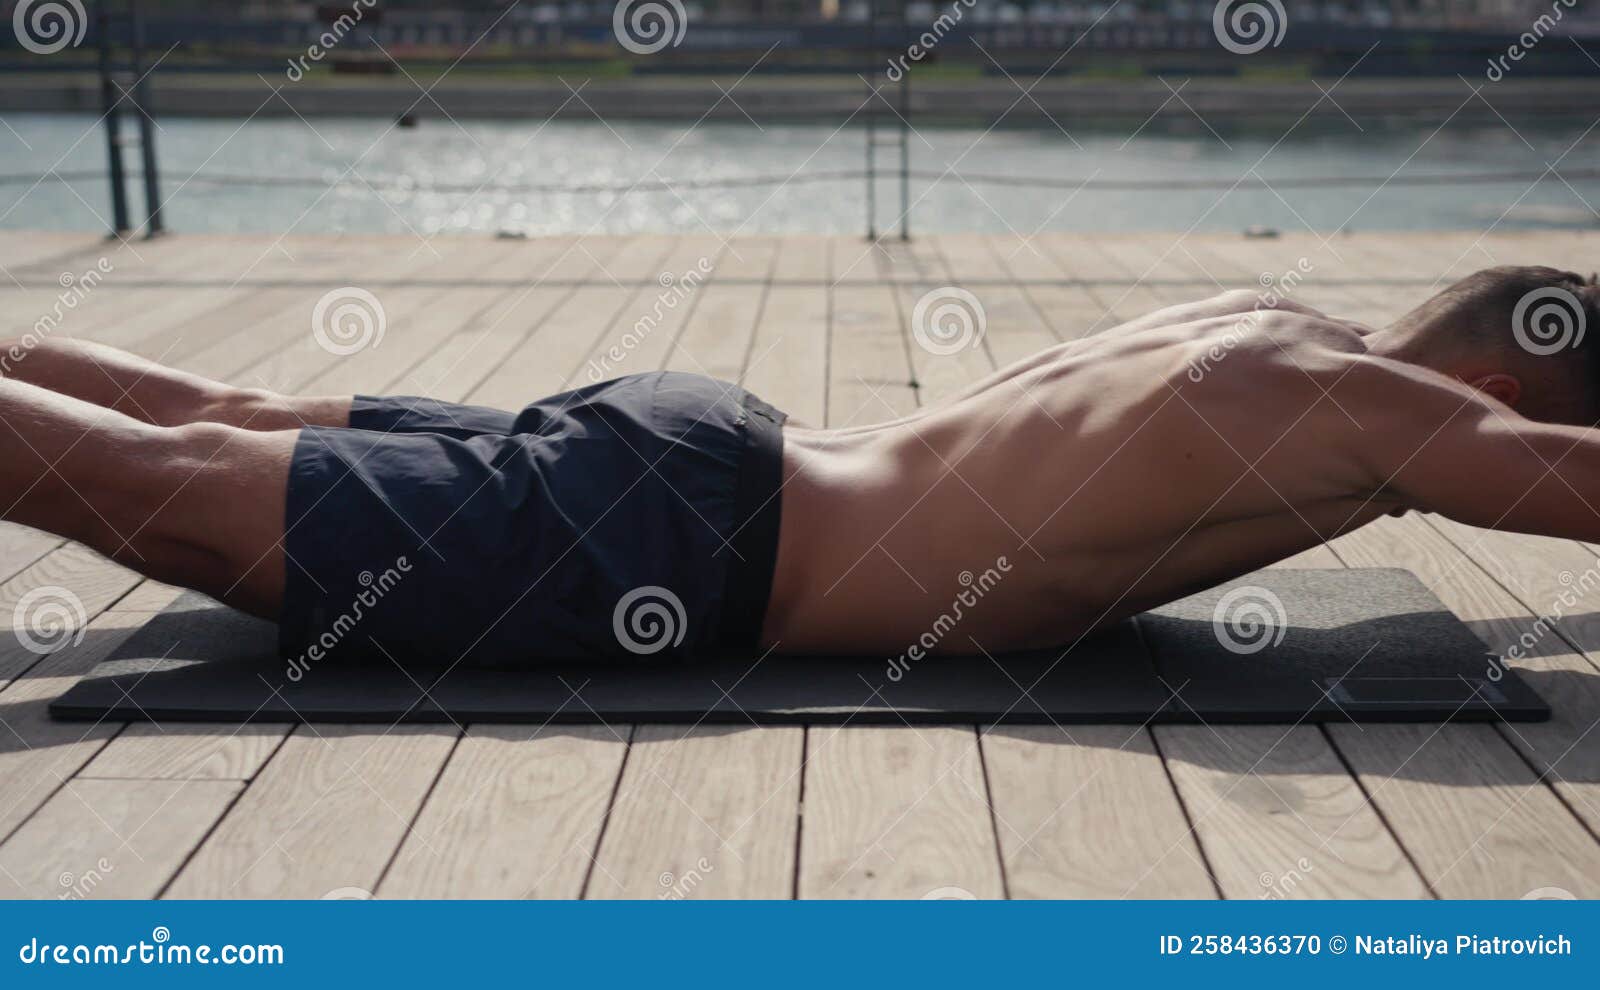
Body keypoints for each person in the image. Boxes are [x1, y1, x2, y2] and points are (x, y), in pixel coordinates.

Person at [1, 265, 1595, 663]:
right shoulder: (1391, 411)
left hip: (710, 452)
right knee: (171, 501)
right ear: (1495, 387)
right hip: (691, 543)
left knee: (220, 420)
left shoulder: (1276, 327)